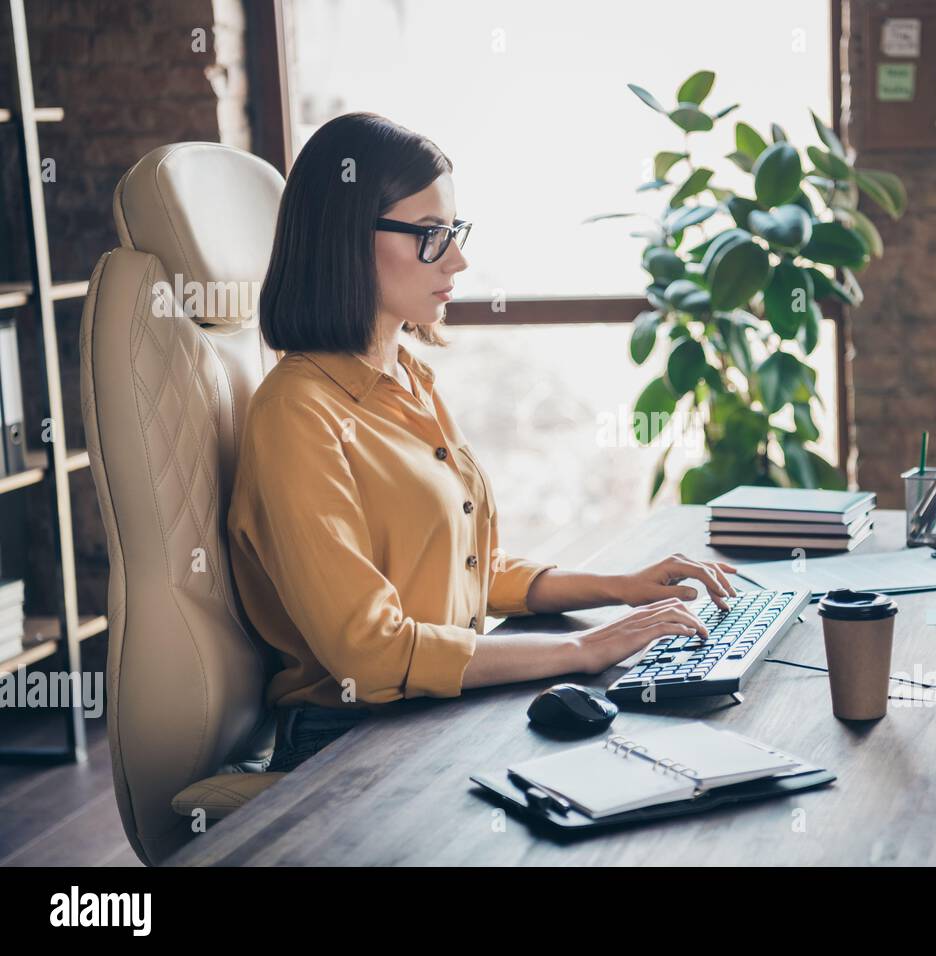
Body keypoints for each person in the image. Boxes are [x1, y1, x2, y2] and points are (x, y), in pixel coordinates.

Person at [228, 113, 737, 771]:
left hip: (433, 706)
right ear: (348, 240)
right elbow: (370, 652)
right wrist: (580, 652)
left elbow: (469, 567)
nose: (459, 260)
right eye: (432, 236)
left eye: (454, 233)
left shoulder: (407, 378)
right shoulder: (296, 414)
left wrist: (624, 586)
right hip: (346, 741)